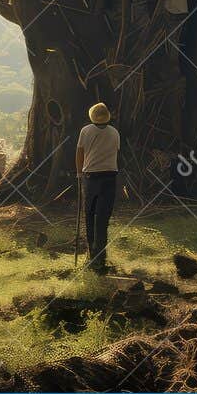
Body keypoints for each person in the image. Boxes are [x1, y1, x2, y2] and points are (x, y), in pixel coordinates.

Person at [77, 103, 121, 274]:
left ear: (92, 117)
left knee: (89, 216)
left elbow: (79, 152)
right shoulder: (114, 132)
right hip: (110, 177)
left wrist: (79, 174)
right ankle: (99, 259)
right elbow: (115, 152)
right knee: (102, 220)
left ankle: (92, 256)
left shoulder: (86, 130)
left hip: (91, 178)